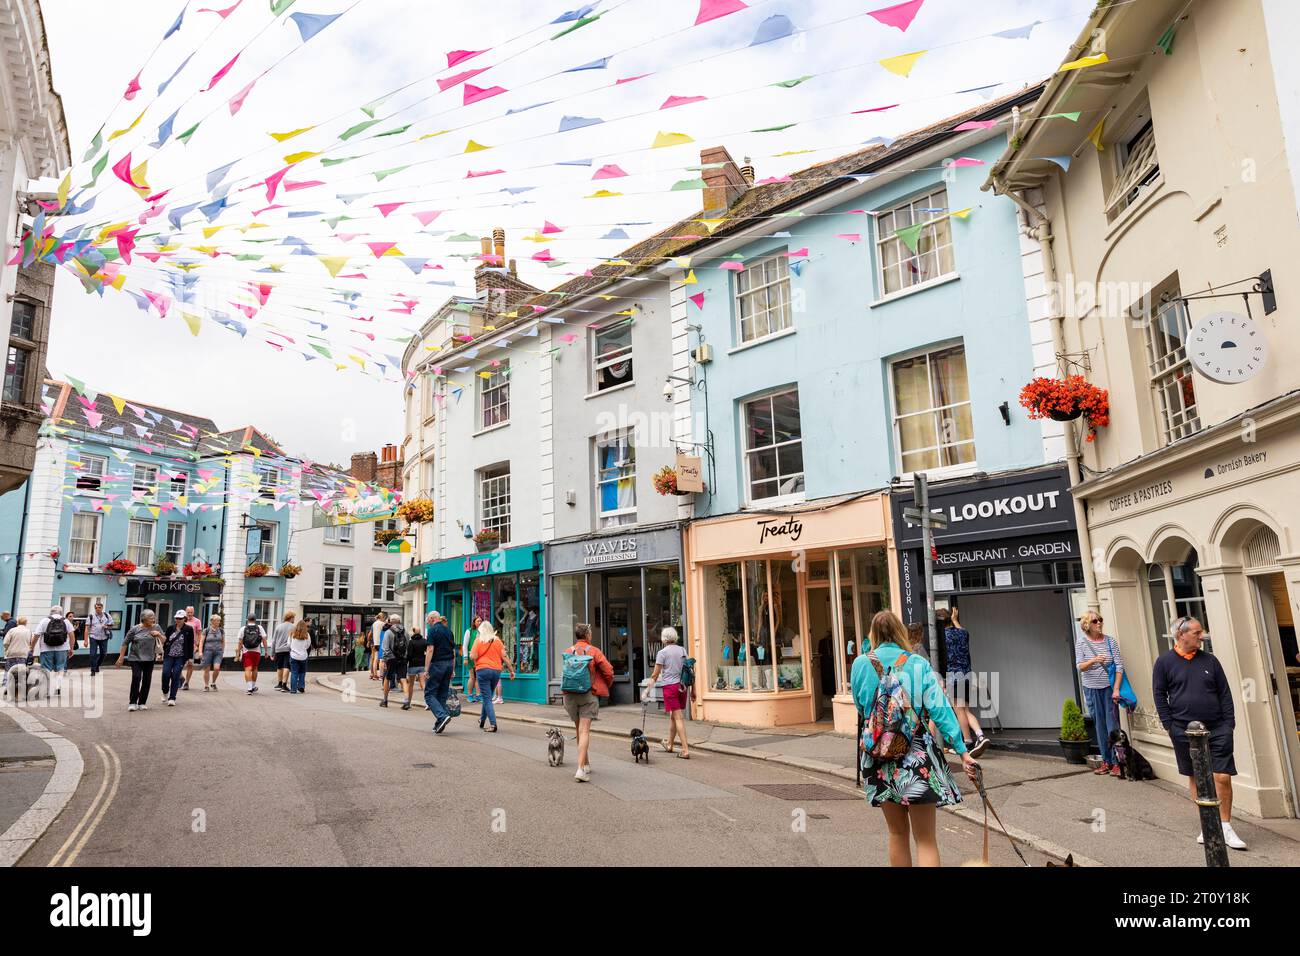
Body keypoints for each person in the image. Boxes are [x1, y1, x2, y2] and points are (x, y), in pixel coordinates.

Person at [851, 610, 980, 867]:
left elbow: (862, 707)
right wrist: (963, 751)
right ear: (900, 632)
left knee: (897, 834)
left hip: (879, 758)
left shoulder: (860, 664)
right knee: (926, 839)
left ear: (873, 635)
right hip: (916, 757)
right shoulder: (917, 664)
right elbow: (941, 711)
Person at [1153, 616, 1246, 851]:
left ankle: (1224, 825)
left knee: (1222, 776)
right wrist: (1169, 726)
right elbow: (1159, 694)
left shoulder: (1210, 661)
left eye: (1200, 631)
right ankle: (1208, 824)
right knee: (1196, 776)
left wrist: (1229, 724)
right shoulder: (1164, 662)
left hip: (1217, 728)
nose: (1201, 635)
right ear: (1180, 635)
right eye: (1196, 632)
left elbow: (1224, 693)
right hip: (1183, 730)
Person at [1075, 611, 1125, 776]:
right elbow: (1080, 666)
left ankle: (1118, 762)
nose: (1099, 623)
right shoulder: (1081, 643)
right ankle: (1106, 761)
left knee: (1113, 726)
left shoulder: (1110, 641)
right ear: (1087, 625)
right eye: (1095, 621)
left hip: (1109, 688)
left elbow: (1119, 666)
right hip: (1091, 688)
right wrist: (1094, 660)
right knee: (1100, 725)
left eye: (1100, 620)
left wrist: (1116, 689)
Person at [561, 623, 613, 782]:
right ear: (588, 635)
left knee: (578, 730)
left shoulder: (568, 651)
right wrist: (605, 685)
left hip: (570, 695)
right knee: (584, 731)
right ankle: (579, 770)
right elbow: (608, 671)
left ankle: (585, 764)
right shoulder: (594, 651)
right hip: (588, 694)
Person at [943, 607, 989, 757]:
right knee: (966, 710)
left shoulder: (943, 635)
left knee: (959, 709)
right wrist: (955, 620)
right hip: (967, 675)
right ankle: (980, 735)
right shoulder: (963, 633)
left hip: (954, 677)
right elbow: (961, 629)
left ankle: (968, 741)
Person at [646, 626, 691, 758]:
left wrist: (647, 690)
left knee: (678, 718)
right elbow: (689, 670)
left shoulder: (662, 653)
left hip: (670, 688)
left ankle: (685, 750)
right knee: (674, 716)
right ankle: (670, 744)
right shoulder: (682, 650)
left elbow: (655, 675)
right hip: (682, 687)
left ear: (664, 638)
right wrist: (693, 691)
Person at [471, 620, 516, 733]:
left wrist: (472, 655)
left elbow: (473, 655)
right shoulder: (498, 641)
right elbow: (505, 657)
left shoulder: (478, 640)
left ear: (481, 630)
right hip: (496, 671)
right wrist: (511, 671)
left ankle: (493, 724)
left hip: (483, 670)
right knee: (488, 696)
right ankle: (482, 720)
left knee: (486, 698)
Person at [116, 610, 164, 711]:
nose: (153, 619)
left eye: (153, 617)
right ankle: (133, 702)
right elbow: (125, 643)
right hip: (135, 658)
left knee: (147, 680)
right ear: (144, 619)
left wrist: (158, 634)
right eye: (151, 618)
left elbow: (164, 640)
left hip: (150, 658)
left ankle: (142, 702)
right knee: (136, 677)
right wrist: (121, 657)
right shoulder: (135, 629)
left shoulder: (156, 627)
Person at [424, 611, 457, 734]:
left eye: (428, 619)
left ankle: (442, 716)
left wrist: (426, 669)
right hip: (448, 664)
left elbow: (430, 649)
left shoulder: (432, 631)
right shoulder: (449, 631)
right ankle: (439, 723)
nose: (427, 622)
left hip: (438, 664)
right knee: (442, 694)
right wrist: (453, 669)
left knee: (429, 694)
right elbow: (453, 651)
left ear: (432, 619)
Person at [33, 605, 77, 697]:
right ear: (61, 612)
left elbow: (36, 635)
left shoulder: (44, 620)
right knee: (60, 668)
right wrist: (71, 648)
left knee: (46, 669)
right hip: (62, 648)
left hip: (46, 648)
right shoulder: (66, 621)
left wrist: (32, 647)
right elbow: (72, 635)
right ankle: (57, 687)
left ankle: (46, 690)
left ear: (51, 612)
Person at [161, 611, 189, 706]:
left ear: (184, 618)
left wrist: (189, 658)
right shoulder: (170, 628)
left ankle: (172, 697)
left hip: (180, 656)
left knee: (176, 675)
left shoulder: (188, 629)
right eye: (176, 618)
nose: (178, 620)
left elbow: (190, 644)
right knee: (166, 673)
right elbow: (165, 642)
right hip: (169, 655)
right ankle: (165, 691)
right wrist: (161, 653)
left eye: (180, 618)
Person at [379, 616, 409, 708]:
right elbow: (408, 646)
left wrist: (384, 660)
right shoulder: (406, 632)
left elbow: (385, 648)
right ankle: (406, 701)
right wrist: (405, 657)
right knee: (403, 679)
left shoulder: (388, 632)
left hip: (391, 659)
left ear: (391, 622)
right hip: (403, 659)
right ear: (399, 622)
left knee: (387, 678)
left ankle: (385, 700)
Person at [239, 614, 267, 695]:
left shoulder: (243, 628)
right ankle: (253, 686)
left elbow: (240, 642)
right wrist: (266, 651)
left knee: (248, 669)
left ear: (247, 619)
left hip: (246, 651)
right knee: (254, 668)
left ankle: (249, 688)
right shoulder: (259, 628)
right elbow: (264, 639)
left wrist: (238, 654)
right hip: (257, 651)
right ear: (255, 619)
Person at [85, 602, 114, 677]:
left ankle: (97, 665)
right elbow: (87, 629)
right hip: (93, 637)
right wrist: (85, 640)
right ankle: (93, 670)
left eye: (99, 607)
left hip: (104, 637)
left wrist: (106, 627)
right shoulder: (91, 616)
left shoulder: (107, 616)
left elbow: (111, 626)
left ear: (102, 608)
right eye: (96, 608)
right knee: (92, 654)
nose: (97, 609)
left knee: (104, 654)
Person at [2, 616, 31, 688]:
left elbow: (5, 642)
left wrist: (7, 649)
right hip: (23, 654)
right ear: (26, 623)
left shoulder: (12, 630)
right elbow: (30, 642)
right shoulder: (29, 631)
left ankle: (6, 684)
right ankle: (20, 685)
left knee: (9, 669)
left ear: (17, 622)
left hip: (12, 653)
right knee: (21, 670)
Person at [272, 611, 295, 692]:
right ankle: (284, 685)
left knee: (279, 667)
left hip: (278, 650)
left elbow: (274, 640)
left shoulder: (278, 627)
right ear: (291, 618)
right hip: (288, 649)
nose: (294, 619)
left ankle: (279, 683)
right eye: (293, 618)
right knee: (287, 667)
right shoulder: (293, 627)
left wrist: (273, 653)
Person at [201, 615, 225, 690]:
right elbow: (201, 642)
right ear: (212, 621)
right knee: (206, 669)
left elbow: (223, 641)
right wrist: (200, 652)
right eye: (217, 620)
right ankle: (206, 685)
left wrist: (222, 650)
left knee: (217, 668)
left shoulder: (221, 630)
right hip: (207, 651)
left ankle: (213, 682)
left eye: (219, 620)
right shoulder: (206, 630)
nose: (218, 622)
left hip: (218, 652)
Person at [288, 619, 311, 694]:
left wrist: (294, 648)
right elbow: (308, 645)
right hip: (303, 656)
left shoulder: (292, 634)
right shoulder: (307, 635)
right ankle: (301, 687)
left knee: (294, 672)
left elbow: (288, 644)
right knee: (302, 672)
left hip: (294, 655)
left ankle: (293, 689)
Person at [462, 615, 482, 701]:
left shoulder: (482, 632)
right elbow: (465, 646)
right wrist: (465, 657)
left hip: (480, 657)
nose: (480, 622)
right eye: (478, 621)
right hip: (471, 656)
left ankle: (478, 695)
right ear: (474, 622)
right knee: (472, 677)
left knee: (478, 677)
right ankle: (470, 695)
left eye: (481, 621)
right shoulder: (469, 631)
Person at [182, 605, 201, 690]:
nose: (189, 614)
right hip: (181, 645)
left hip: (191, 646)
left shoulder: (197, 621)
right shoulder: (182, 620)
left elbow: (199, 634)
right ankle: (181, 678)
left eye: (191, 612)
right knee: (178, 664)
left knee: (190, 664)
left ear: (193, 612)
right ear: (185, 612)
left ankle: (186, 682)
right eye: (188, 612)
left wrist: (197, 645)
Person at [370, 611, 388, 681]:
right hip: (381, 642)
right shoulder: (382, 624)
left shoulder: (374, 624)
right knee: (381, 659)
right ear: (382, 617)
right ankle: (381, 675)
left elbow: (371, 633)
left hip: (375, 643)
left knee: (375, 659)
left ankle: (374, 675)